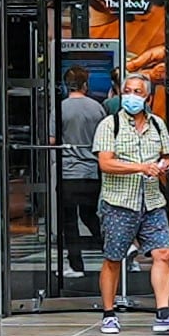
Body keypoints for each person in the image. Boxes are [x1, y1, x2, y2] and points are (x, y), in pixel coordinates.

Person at [94, 71, 169, 334]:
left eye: (137, 92)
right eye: (127, 91)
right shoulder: (110, 125)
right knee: (113, 258)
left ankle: (164, 314)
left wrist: (163, 165)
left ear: (148, 97)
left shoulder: (158, 125)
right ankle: (108, 314)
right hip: (119, 203)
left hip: (151, 202)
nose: (131, 96)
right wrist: (140, 167)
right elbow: (105, 163)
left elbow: (167, 155)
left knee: (163, 253)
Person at [57, 66, 109, 280]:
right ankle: (113, 251)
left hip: (68, 171)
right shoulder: (97, 108)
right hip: (92, 171)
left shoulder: (61, 108)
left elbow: (52, 139)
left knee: (69, 221)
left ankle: (76, 265)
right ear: (85, 84)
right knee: (90, 215)